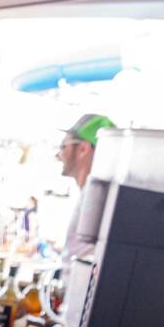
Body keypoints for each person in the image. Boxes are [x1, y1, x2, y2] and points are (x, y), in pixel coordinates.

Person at [57, 113, 114, 264]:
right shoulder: (91, 193)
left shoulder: (97, 197)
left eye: (63, 146)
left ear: (83, 149)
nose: (59, 154)